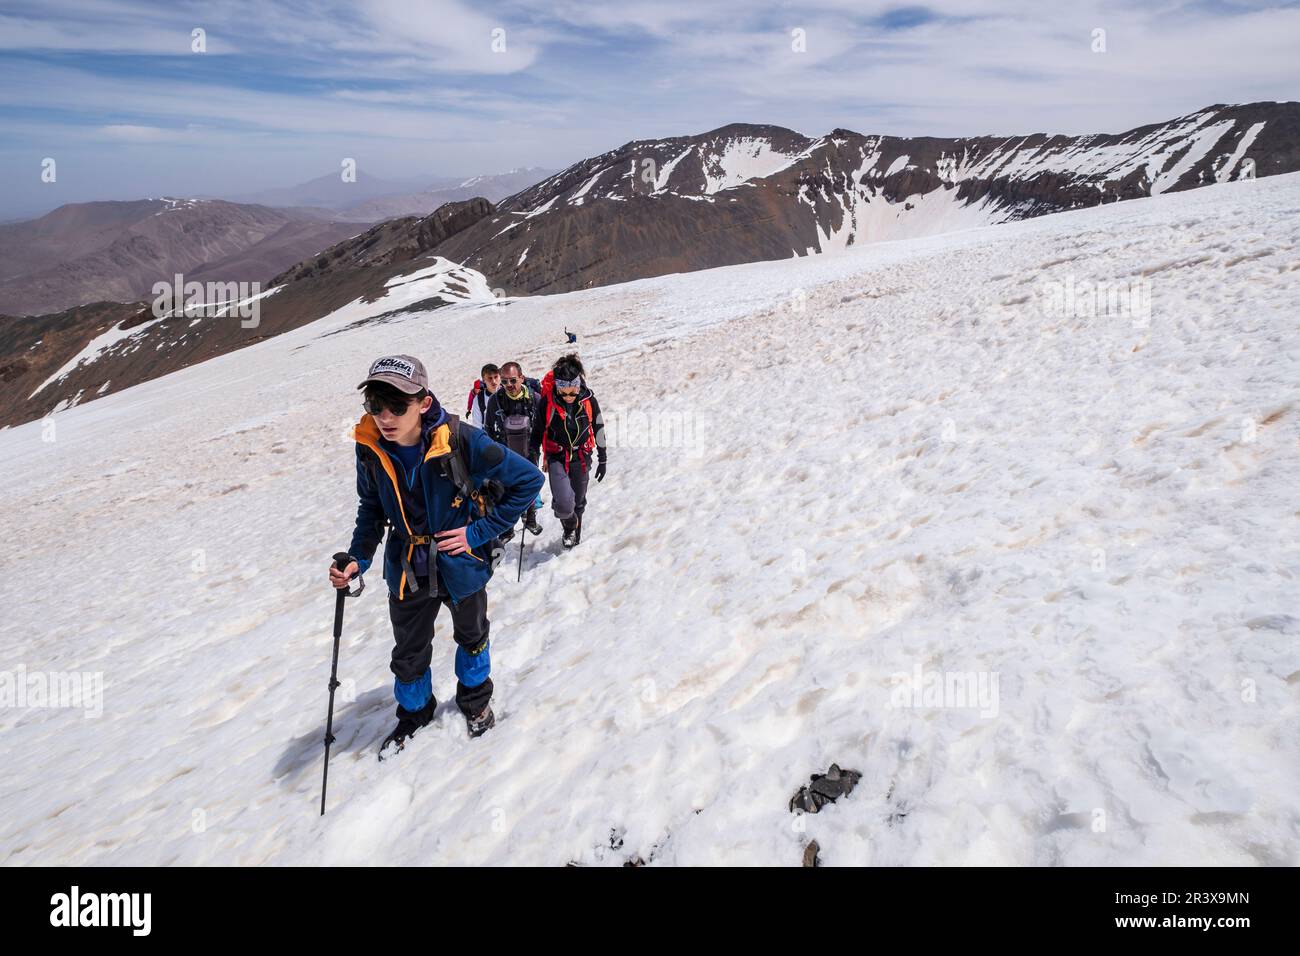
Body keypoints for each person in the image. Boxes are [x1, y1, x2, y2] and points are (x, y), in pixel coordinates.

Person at [329, 354, 544, 751]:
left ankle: (475, 704)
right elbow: (371, 509)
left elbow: (529, 480)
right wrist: (359, 557)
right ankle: (415, 713)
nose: (385, 417)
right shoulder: (370, 447)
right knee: (409, 652)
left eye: (397, 406)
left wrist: (478, 532)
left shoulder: (462, 439)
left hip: (462, 563)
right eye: (375, 405)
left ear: (424, 403)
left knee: (473, 636)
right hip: (407, 566)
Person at [529, 354, 607, 549]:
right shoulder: (547, 402)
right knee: (564, 503)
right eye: (564, 392)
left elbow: (598, 427)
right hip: (557, 457)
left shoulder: (589, 400)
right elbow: (537, 431)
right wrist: (532, 456)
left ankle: (574, 536)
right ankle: (570, 525)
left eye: (573, 392)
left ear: (578, 385)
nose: (569, 397)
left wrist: (603, 458)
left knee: (579, 501)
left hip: (581, 455)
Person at [484, 361, 544, 540]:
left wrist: (537, 450)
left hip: (530, 450)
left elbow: (543, 427)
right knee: (505, 490)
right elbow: (488, 427)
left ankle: (531, 520)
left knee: (529, 486)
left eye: (512, 381)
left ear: (521, 378)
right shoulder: (496, 400)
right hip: (504, 452)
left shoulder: (535, 399)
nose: (508, 385)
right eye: (504, 382)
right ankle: (508, 529)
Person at [465, 363, 501, 428]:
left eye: (496, 377)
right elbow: (477, 425)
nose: (493, 381)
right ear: (484, 380)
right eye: (490, 378)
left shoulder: (507, 392)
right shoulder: (479, 399)